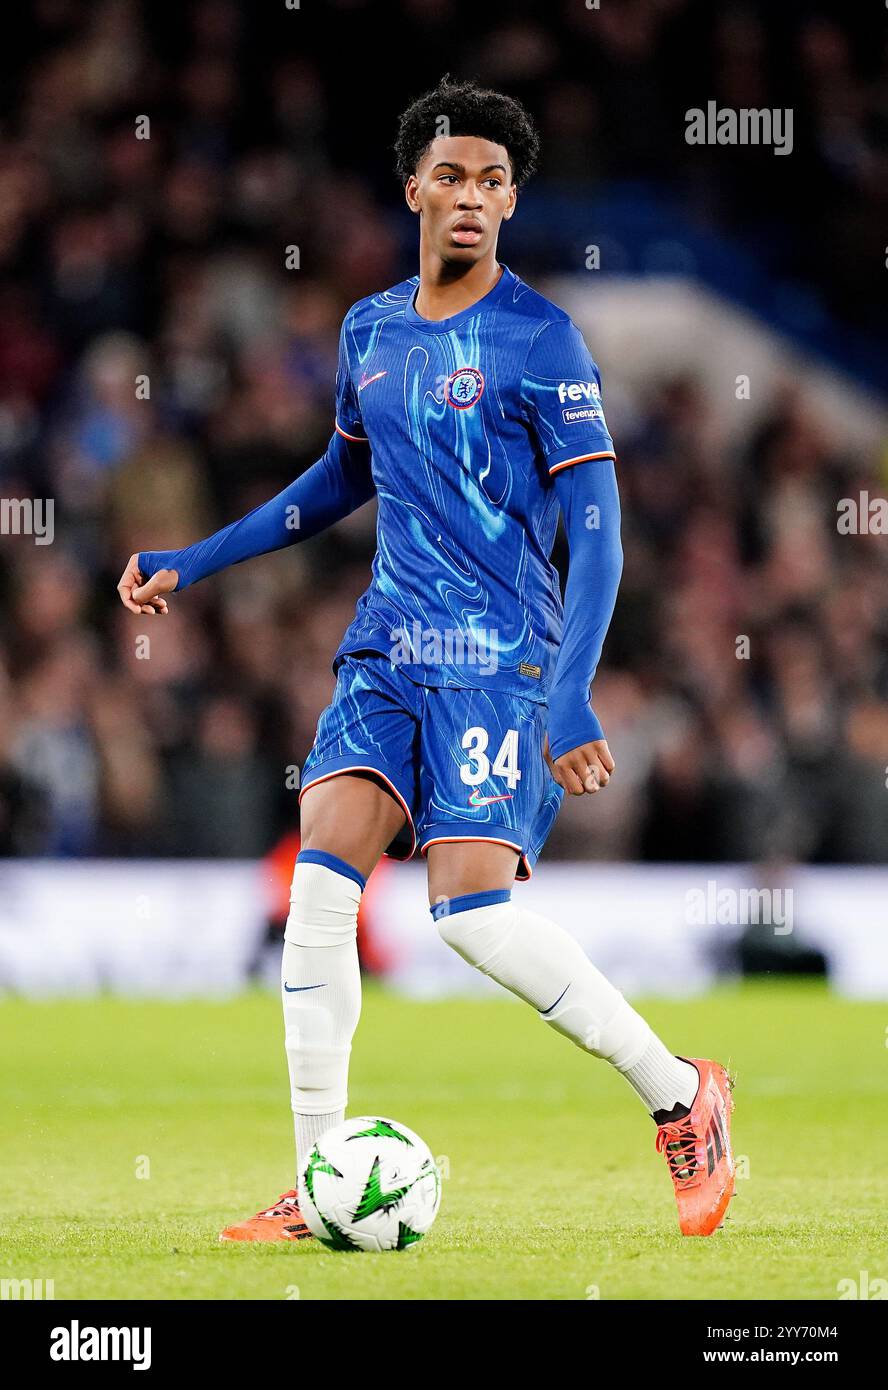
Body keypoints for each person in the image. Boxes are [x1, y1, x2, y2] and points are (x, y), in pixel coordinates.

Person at [118, 78, 735, 1241]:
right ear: (413, 189)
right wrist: (196, 560)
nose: (471, 196)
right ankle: (320, 1178)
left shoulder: (542, 340)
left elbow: (600, 532)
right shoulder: (370, 329)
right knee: (318, 884)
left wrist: (569, 692)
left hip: (499, 660)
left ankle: (680, 1094)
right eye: (450, 175)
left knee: (473, 917)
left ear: (511, 203)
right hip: (388, 648)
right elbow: (338, 479)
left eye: (494, 181)